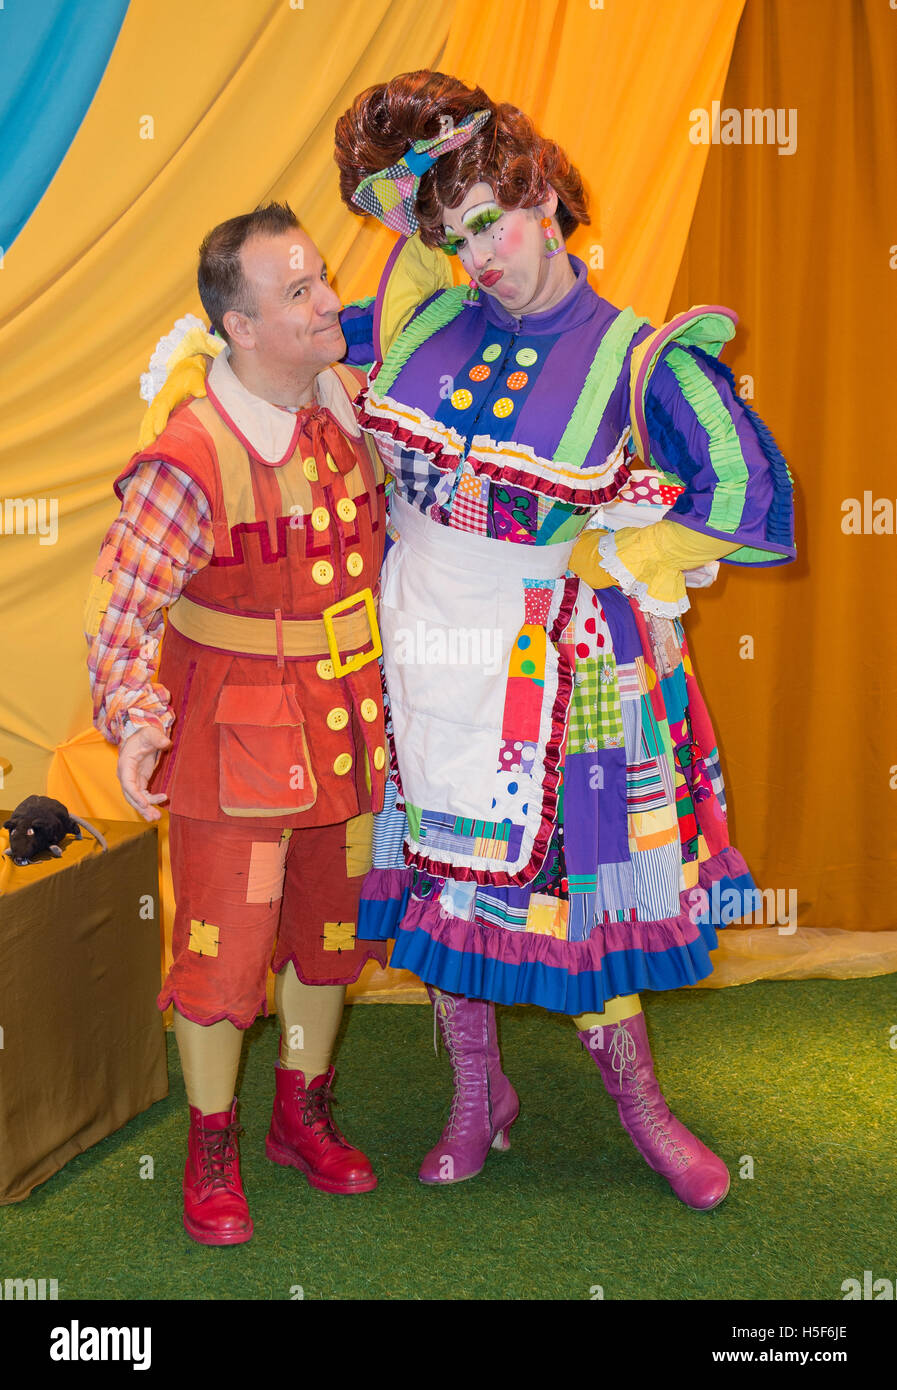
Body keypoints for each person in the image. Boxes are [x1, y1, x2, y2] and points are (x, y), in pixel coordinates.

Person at [331, 70, 795, 1211]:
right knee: (442, 877)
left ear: (544, 197)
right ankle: (474, 1093)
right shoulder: (423, 319)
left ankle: (643, 1108)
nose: (477, 254)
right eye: (453, 233)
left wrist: (629, 551)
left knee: (584, 891)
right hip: (423, 640)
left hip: (558, 665)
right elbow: (301, 352)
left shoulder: (640, 356)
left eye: (491, 219)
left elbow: (746, 490)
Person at [84, 203, 391, 1245]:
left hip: (347, 727)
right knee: (223, 958)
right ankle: (210, 1142)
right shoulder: (192, 452)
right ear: (241, 326)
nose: (331, 301)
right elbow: (121, 610)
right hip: (232, 744)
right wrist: (135, 720)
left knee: (327, 937)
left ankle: (300, 1115)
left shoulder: (353, 406)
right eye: (300, 292)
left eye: (324, 278)